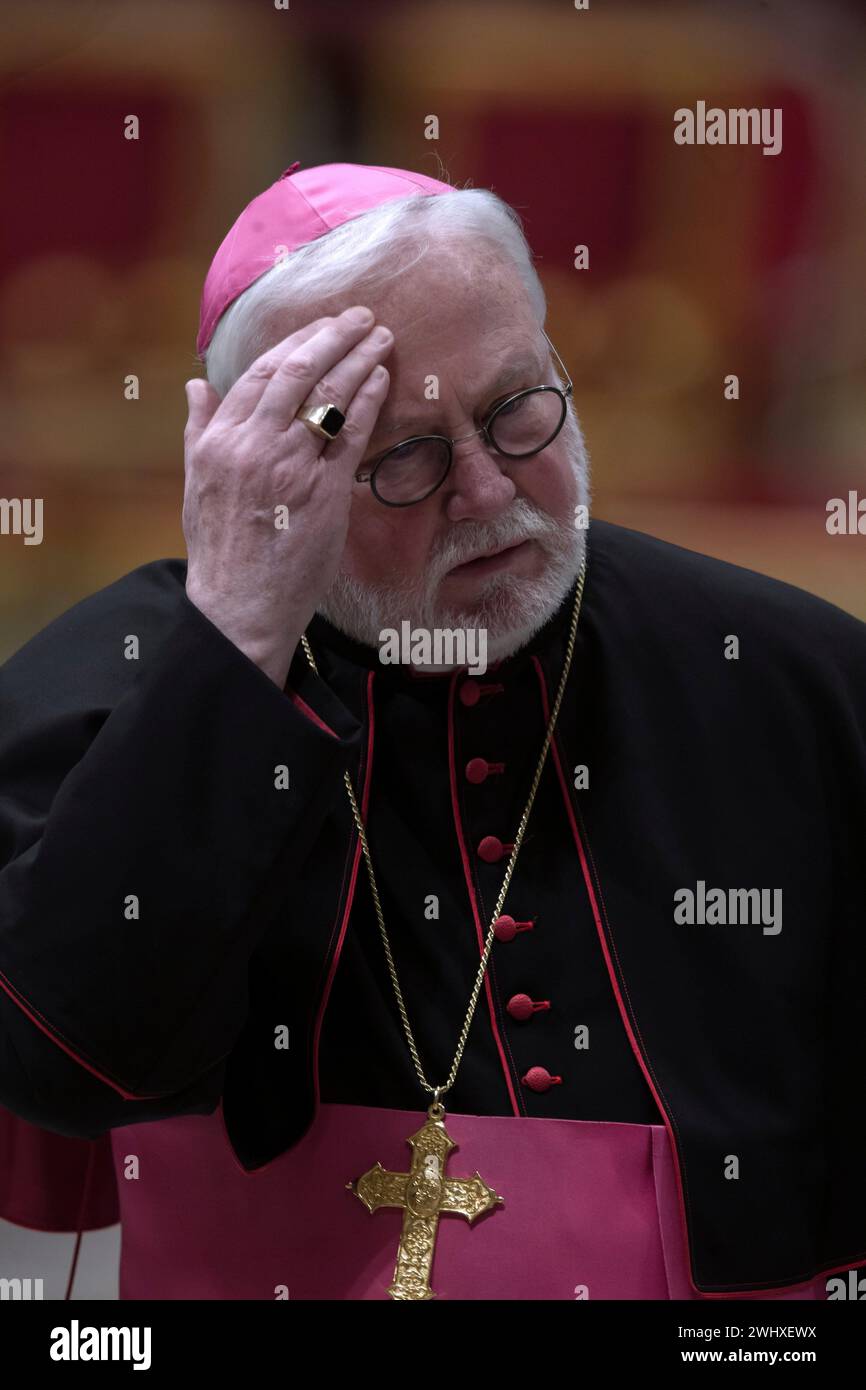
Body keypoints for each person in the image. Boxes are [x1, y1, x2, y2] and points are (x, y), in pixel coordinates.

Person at [0, 161, 864, 1301]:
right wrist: (240, 637)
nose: (488, 492)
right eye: (402, 458)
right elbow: (66, 1064)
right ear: (266, 467)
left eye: (515, 409)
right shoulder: (118, 687)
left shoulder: (790, 678)